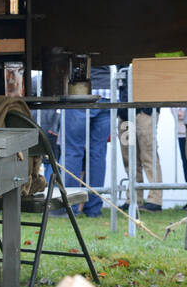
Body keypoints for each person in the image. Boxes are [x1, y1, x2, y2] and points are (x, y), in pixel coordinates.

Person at [62, 68, 111, 217]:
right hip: (107, 92)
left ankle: (70, 206)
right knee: (97, 154)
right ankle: (94, 208)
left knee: (73, 151)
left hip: (78, 91)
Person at [117, 67, 163, 211]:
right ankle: (133, 198)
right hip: (125, 112)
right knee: (128, 159)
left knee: (148, 155)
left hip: (146, 109)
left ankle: (155, 199)